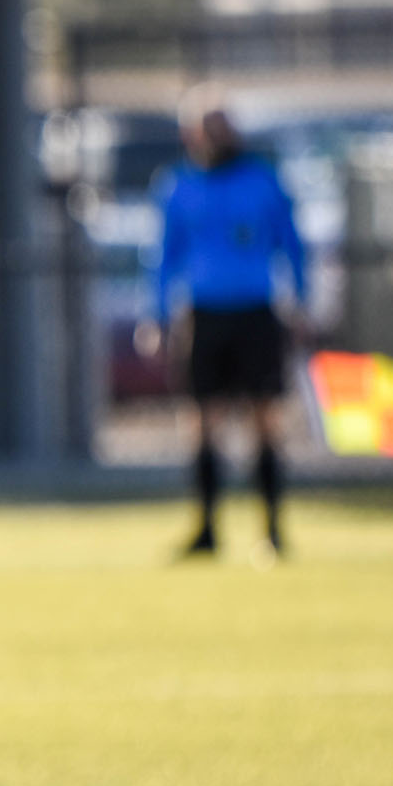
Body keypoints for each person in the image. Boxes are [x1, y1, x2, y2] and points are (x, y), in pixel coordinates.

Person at [137, 87, 308, 558]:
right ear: (190, 133)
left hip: (255, 311)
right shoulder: (178, 186)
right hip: (204, 316)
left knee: (266, 421)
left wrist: (301, 299)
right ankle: (207, 530)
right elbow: (162, 258)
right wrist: (155, 315)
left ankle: (273, 531)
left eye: (222, 124)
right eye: (205, 125)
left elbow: (292, 243)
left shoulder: (261, 181)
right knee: (202, 423)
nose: (215, 134)